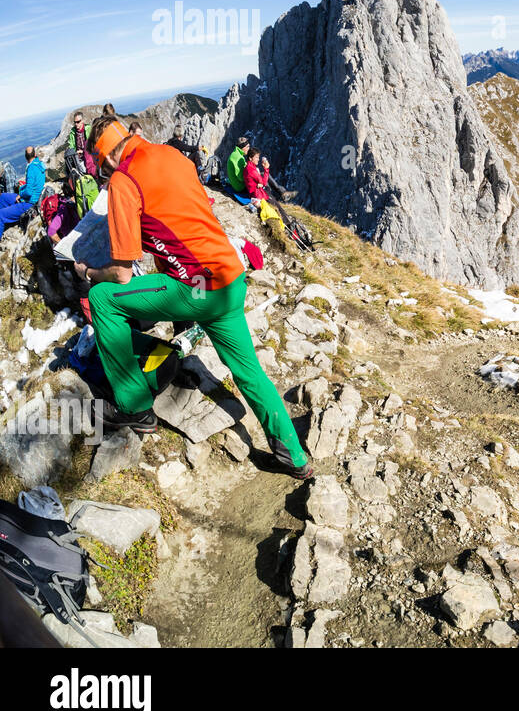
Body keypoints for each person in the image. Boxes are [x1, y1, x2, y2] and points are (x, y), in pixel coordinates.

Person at [76, 106, 312, 479]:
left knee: (105, 299)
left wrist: (88, 270)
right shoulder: (170, 154)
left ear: (105, 157)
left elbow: (121, 274)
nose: (101, 173)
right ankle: (294, 459)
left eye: (100, 166)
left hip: (197, 288)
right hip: (229, 281)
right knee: (250, 374)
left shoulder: (124, 180)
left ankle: (133, 405)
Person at [0, 147, 46, 226]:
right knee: (3, 197)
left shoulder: (31, 168)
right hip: (30, 198)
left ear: (25, 156)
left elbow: (29, 192)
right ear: (35, 154)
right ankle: (8, 217)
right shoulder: (39, 164)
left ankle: (5, 218)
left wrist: (20, 195)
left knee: (0, 215)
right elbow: (32, 186)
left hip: (30, 203)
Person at [66, 111, 98, 176]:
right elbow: (71, 145)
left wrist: (83, 151)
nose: (76, 124)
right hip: (78, 157)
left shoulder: (88, 129)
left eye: (78, 122)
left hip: (89, 156)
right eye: (75, 122)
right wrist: (75, 152)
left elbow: (93, 144)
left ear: (82, 121)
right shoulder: (73, 132)